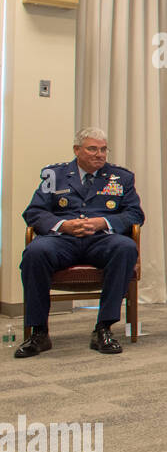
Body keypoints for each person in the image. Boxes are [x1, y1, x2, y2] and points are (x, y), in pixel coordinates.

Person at [16, 127, 144, 357]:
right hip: (62, 240)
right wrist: (63, 226)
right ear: (77, 150)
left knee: (125, 247)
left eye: (103, 149)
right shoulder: (54, 175)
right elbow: (34, 212)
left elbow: (135, 214)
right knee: (35, 252)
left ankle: (103, 328)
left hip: (101, 240)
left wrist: (102, 222)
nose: (100, 154)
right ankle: (39, 332)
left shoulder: (121, 177)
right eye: (93, 149)